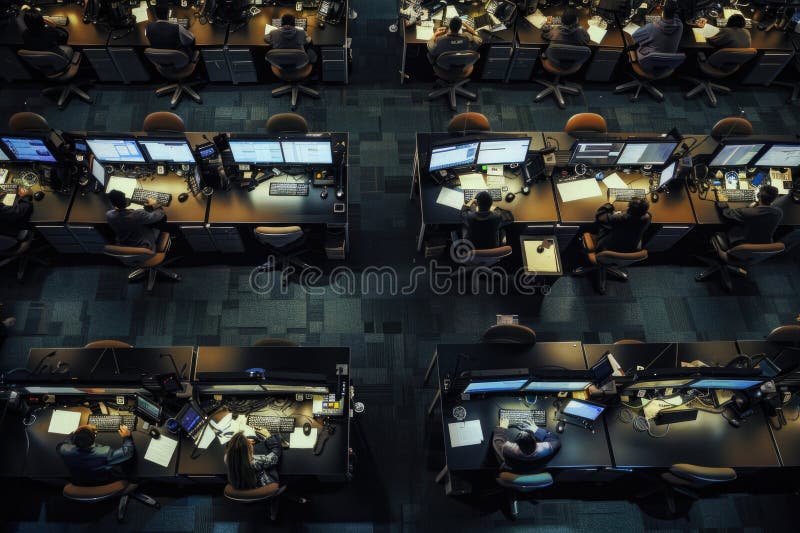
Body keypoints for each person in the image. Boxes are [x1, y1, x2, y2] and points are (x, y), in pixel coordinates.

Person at [57, 423, 135, 486]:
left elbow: (61, 444)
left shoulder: (64, 450)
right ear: (94, 436)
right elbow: (127, 453)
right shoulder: (104, 453)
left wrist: (78, 431)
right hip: (103, 483)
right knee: (133, 476)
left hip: (80, 482)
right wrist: (127, 437)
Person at [716, 184, 782, 246]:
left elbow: (726, 214)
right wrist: (757, 204)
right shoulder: (778, 213)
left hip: (743, 244)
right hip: (765, 245)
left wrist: (719, 195)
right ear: (775, 198)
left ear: (758, 195)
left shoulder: (747, 212)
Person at [492, 417, 561, 472]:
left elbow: (498, 441)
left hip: (514, 472)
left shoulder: (509, 449)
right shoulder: (545, 449)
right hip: (536, 472)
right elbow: (555, 440)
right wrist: (536, 429)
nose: (522, 431)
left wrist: (502, 428)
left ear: (517, 444)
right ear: (535, 441)